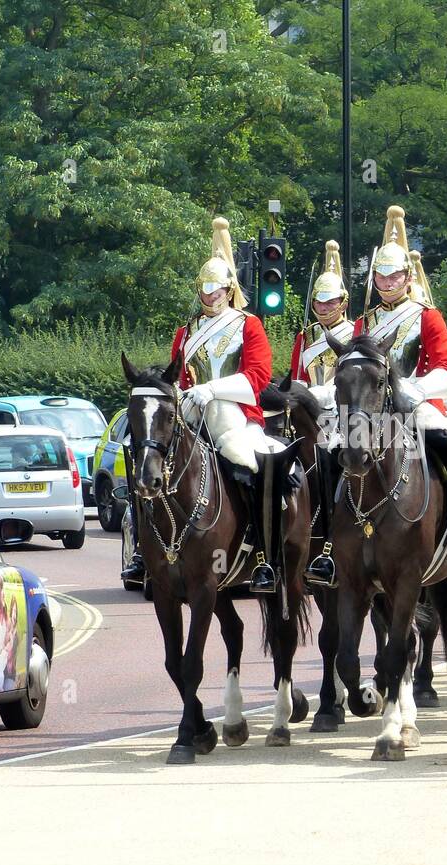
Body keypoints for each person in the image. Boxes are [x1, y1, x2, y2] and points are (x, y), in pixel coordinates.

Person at [121, 217, 287, 593]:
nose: (210, 296)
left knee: (253, 465)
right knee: (143, 455)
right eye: (204, 289)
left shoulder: (248, 325)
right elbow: (176, 378)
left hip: (236, 416)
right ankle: (142, 554)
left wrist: (212, 391)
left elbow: (259, 377)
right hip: (192, 415)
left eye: (216, 289)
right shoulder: (187, 332)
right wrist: (178, 394)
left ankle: (263, 557)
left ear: (229, 289)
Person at [350, 204, 447, 570]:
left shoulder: (427, 315)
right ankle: (330, 544)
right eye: (381, 276)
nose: (387, 282)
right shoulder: (364, 323)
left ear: (408, 277)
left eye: (394, 276)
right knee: (333, 447)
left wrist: (416, 389)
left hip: (416, 403)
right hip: (372, 409)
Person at [291, 240, 355, 588]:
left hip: (343, 415)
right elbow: (297, 379)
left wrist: (320, 394)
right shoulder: (305, 337)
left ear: (343, 302)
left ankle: (330, 544)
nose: (323, 306)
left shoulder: (355, 332)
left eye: (330, 301)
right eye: (318, 301)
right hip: (307, 419)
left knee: (332, 466)